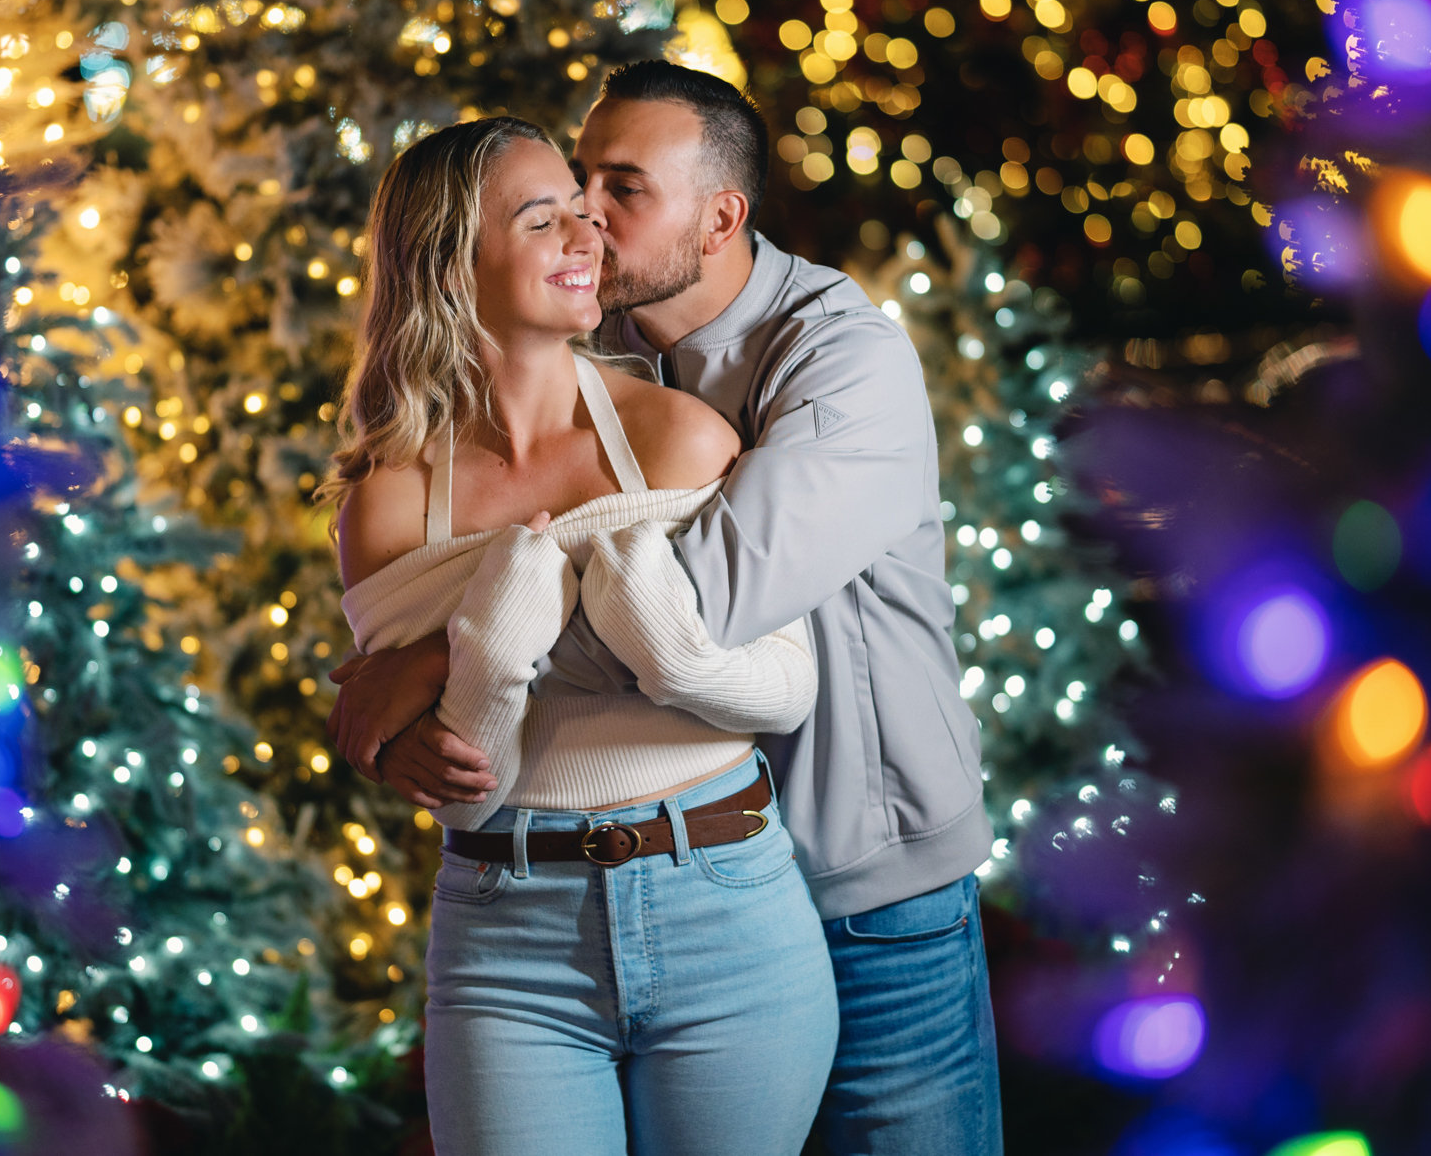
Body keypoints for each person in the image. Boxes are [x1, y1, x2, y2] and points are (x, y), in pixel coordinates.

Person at [329, 63, 1003, 1156]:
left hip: (861, 882)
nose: (585, 216)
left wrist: (434, 665)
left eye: (621, 187)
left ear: (720, 214)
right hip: (627, 886)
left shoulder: (841, 359)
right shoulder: (605, 360)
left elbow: (696, 614)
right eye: (572, 183)